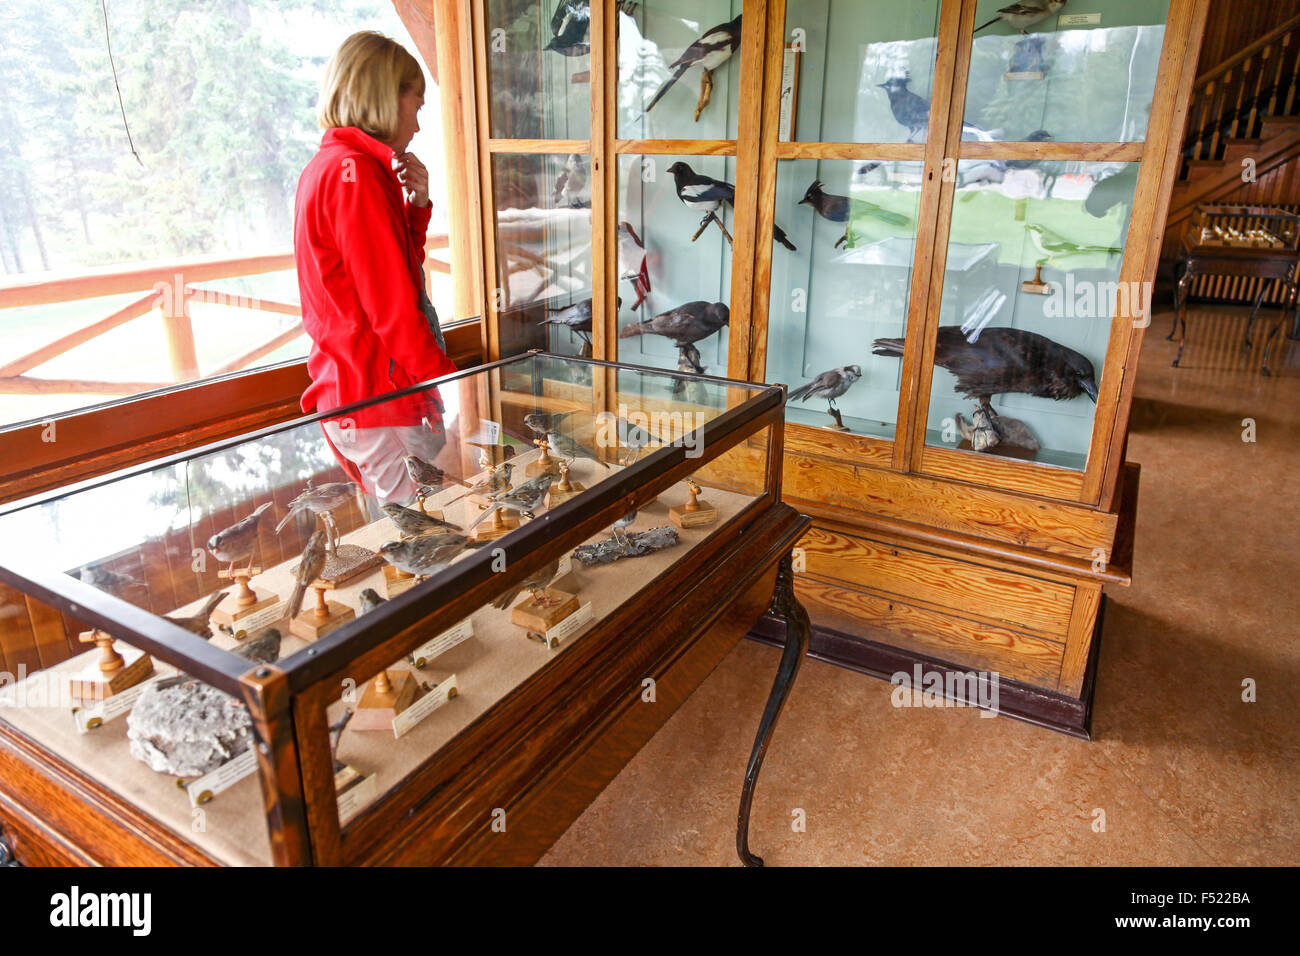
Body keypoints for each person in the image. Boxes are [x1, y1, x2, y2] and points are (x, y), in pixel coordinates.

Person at [294, 31, 456, 504]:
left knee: (416, 542)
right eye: (417, 106)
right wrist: (451, 386)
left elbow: (389, 273)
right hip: (380, 396)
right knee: (426, 547)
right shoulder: (356, 175)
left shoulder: (331, 166)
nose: (419, 125)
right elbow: (394, 310)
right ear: (388, 99)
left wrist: (416, 206)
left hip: (356, 392)